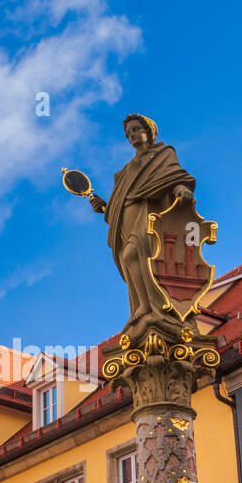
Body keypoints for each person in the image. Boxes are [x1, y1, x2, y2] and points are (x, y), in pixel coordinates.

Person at [90, 114, 195, 326]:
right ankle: (142, 306)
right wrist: (103, 206)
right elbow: (116, 205)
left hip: (151, 215)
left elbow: (172, 177)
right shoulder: (124, 172)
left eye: (136, 129)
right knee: (128, 259)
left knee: (138, 256)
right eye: (128, 134)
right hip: (126, 223)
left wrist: (181, 188)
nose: (132, 136)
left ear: (149, 131)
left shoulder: (164, 154)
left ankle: (154, 306)